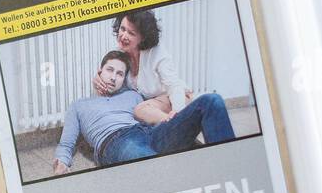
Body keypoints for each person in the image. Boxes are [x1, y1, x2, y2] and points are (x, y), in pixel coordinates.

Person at [53, 48, 236, 174]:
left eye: (119, 74)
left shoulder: (133, 94)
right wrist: (61, 163)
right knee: (157, 169)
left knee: (212, 100)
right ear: (99, 71)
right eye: (109, 70)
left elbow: (162, 101)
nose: (113, 77)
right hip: (116, 141)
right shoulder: (78, 105)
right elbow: (66, 144)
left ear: (124, 79)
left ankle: (231, 169)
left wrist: (182, 91)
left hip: (151, 132)